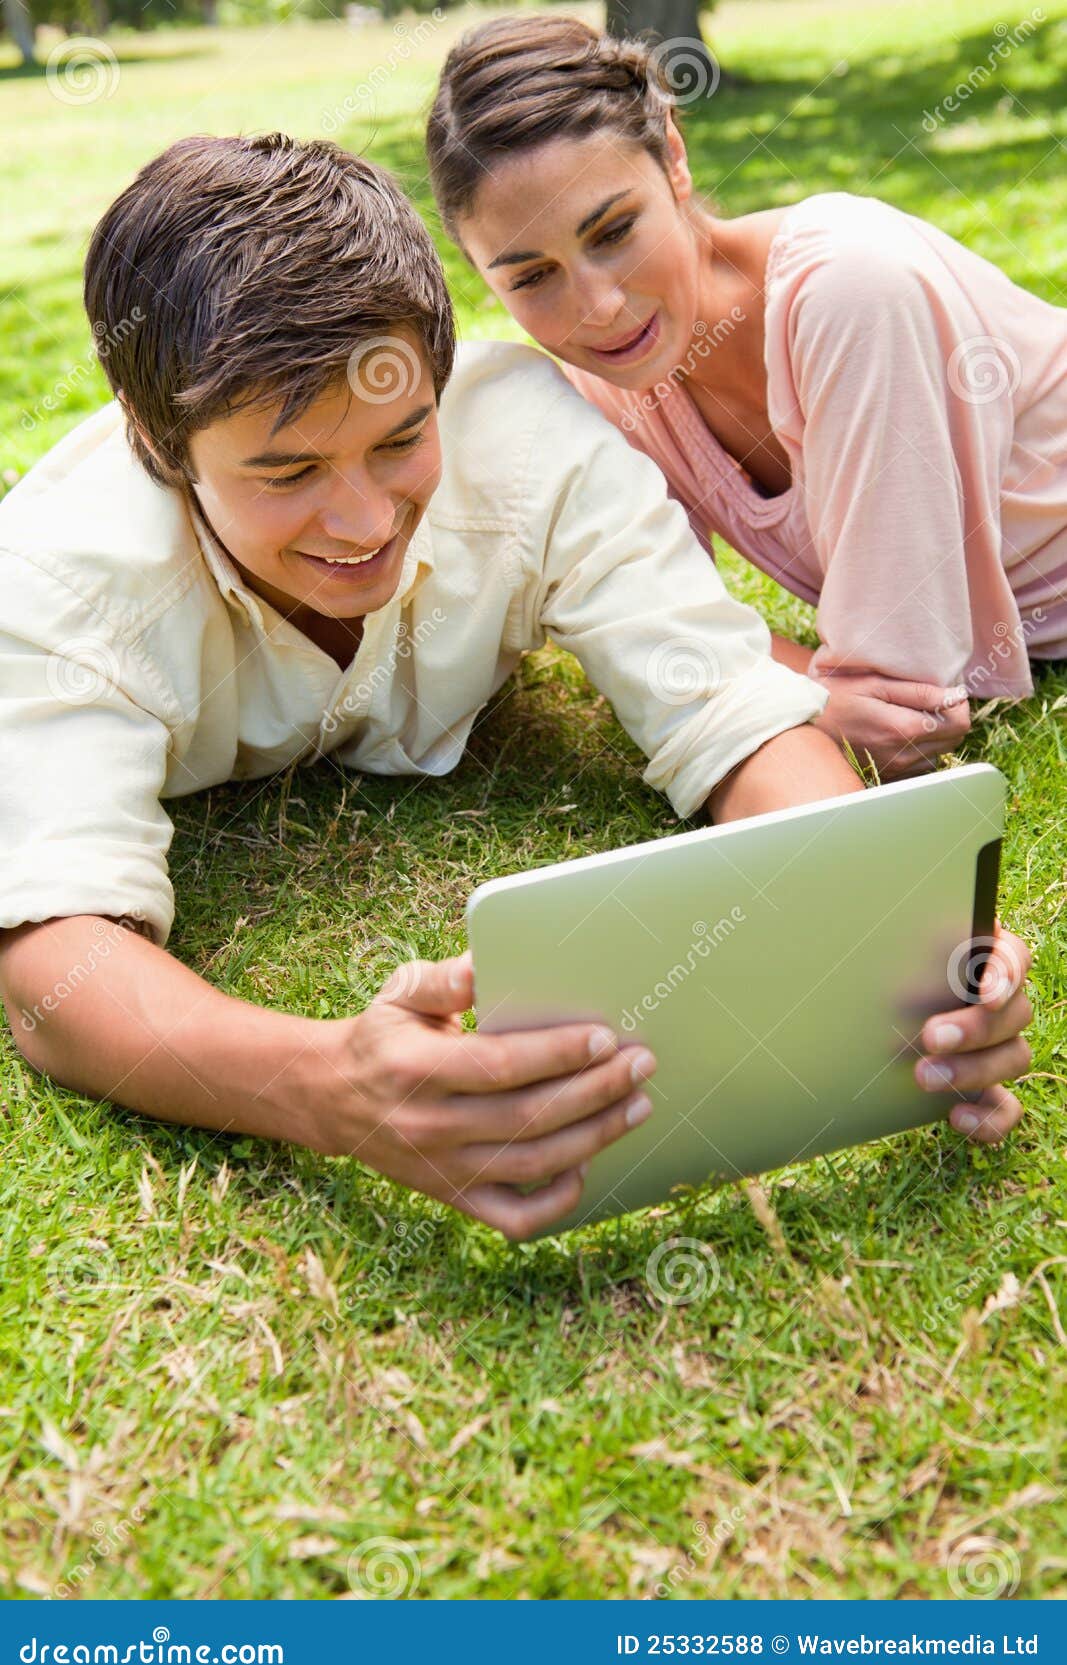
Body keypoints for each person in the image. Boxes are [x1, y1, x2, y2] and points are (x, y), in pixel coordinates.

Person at [0, 136, 1032, 1243]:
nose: (360, 523)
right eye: (288, 472)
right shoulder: (61, 581)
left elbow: (731, 711)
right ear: (161, 443)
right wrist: (328, 1083)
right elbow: (56, 973)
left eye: (399, 442)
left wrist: (879, 922)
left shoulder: (530, 445)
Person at [426, 12, 1067, 779]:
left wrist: (786, 683)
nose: (596, 307)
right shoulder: (604, 383)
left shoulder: (851, 289)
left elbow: (903, 704)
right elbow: (657, 623)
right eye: (531, 277)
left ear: (672, 157)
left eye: (613, 231)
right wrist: (813, 692)